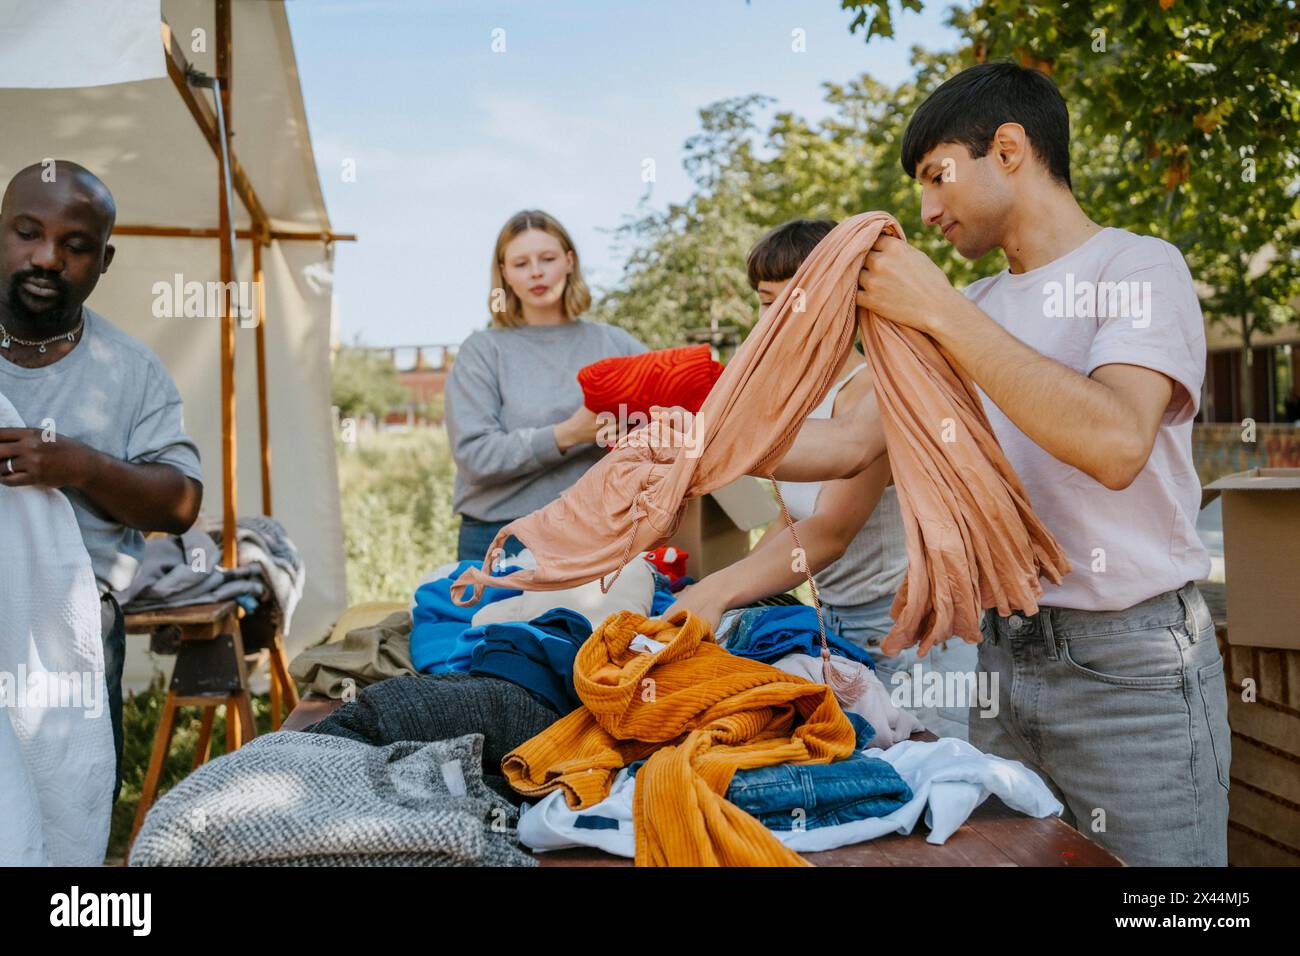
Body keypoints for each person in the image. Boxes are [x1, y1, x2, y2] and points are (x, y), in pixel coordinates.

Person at [771, 62, 1227, 867]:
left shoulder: (1136, 269)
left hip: (1133, 668)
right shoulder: (973, 306)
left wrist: (940, 309)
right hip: (999, 660)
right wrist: (688, 439)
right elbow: (846, 446)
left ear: (1009, 149)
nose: (927, 209)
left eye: (936, 175)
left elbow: (1117, 442)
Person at [663, 218, 977, 738]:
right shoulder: (788, 402)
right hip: (836, 625)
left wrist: (718, 590)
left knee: (929, 784)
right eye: (767, 302)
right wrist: (718, 593)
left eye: (797, 301)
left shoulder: (876, 388)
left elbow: (829, 531)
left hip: (907, 639)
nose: (778, 320)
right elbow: (791, 520)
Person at [0, 160, 204, 806]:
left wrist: (78, 466)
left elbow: (181, 503)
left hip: (74, 625)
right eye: (27, 233)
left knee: (69, 803)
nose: (48, 258)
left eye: (76, 246)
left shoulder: (132, 370)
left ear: (104, 261)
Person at [444, 209, 647, 562]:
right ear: (505, 274)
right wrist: (569, 434)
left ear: (569, 262)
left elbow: (673, 413)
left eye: (548, 259)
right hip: (500, 538)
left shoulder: (614, 344)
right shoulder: (483, 350)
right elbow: (475, 456)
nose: (536, 272)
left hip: (596, 530)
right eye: (521, 264)